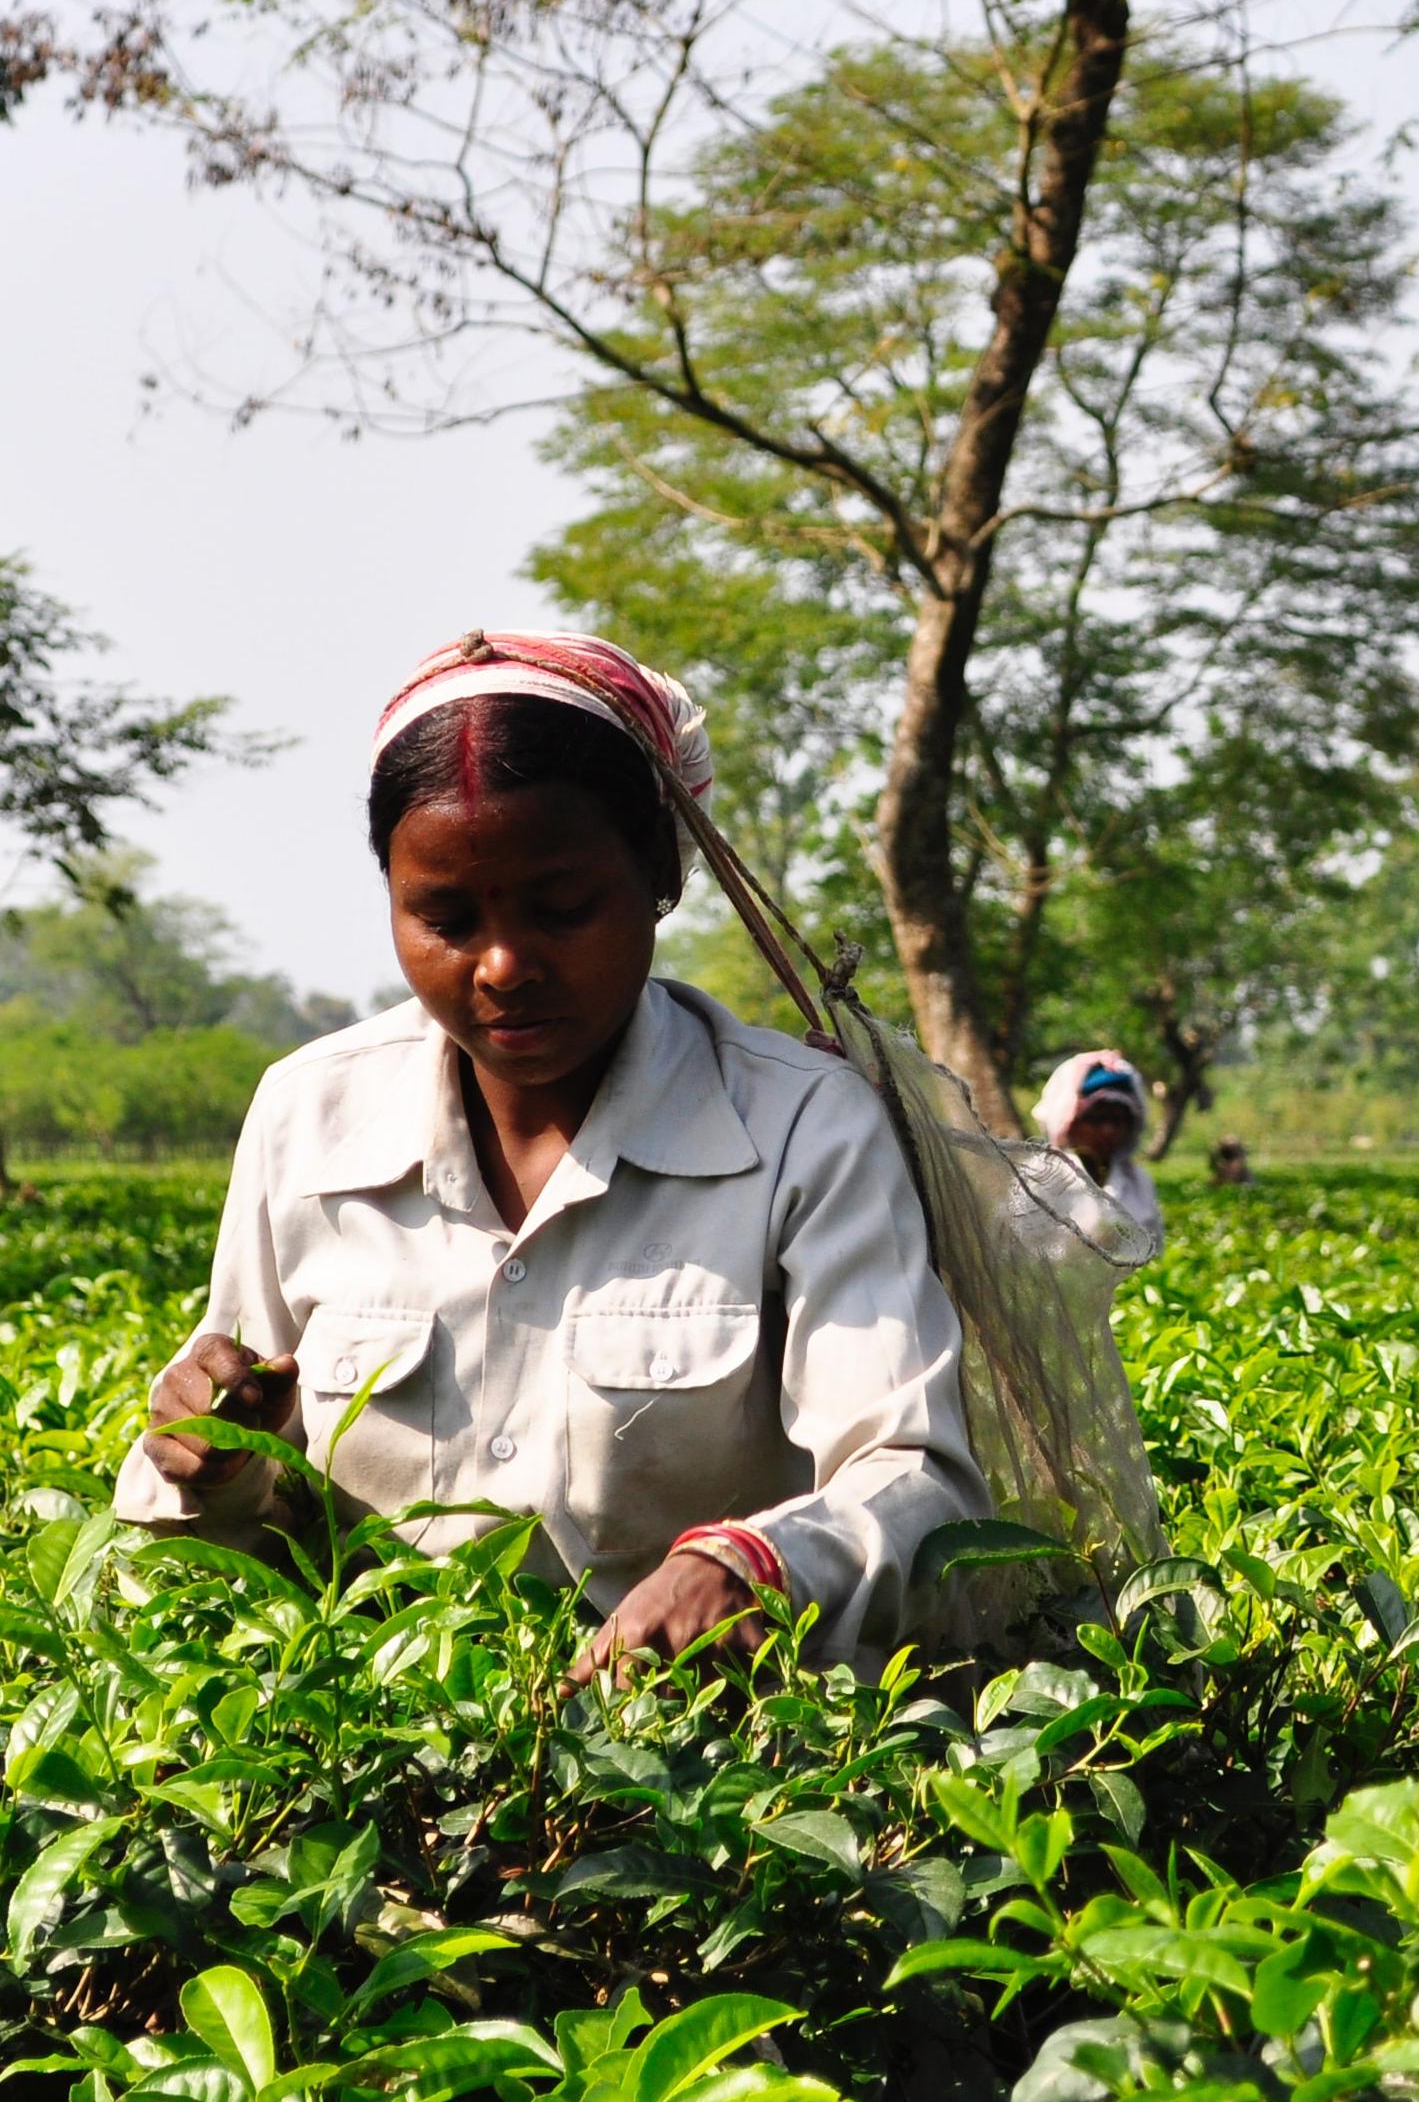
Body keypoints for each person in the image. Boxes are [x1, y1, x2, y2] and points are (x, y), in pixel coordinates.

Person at [114, 628, 987, 1672]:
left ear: (660, 872)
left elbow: (917, 1474)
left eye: (563, 907)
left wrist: (759, 1561)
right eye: (442, 915)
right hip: (382, 1772)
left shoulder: (802, 1128)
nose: (501, 965)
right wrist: (216, 1461)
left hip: (722, 1783)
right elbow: (253, 1528)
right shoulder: (309, 1118)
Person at [1032, 1050, 1164, 1255]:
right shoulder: (1041, 1176)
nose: (1108, 1130)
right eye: (1096, 1119)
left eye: (1117, 1121)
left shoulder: (1138, 1181)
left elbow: (1155, 1250)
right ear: (1071, 1122)